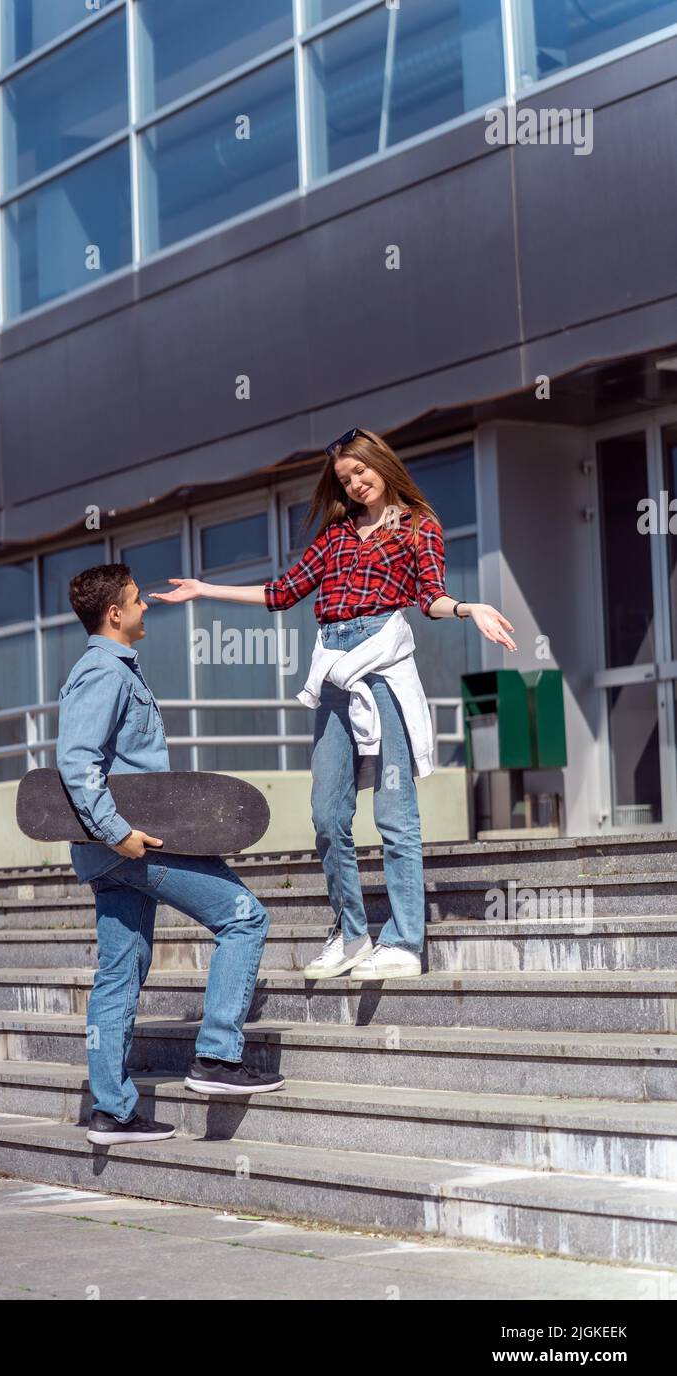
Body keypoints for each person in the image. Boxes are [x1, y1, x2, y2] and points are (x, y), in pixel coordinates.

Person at [149, 427, 516, 982]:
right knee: (326, 813)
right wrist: (205, 590)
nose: (356, 483)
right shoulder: (337, 534)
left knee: (395, 814)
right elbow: (282, 593)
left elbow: (429, 596)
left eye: (362, 472)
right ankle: (351, 933)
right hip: (334, 673)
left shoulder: (420, 527)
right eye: (346, 479)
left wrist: (470, 608)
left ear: (382, 465)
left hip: (383, 670)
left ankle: (404, 941)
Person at [57, 565, 284, 1148]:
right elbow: (77, 763)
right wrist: (118, 833)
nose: (145, 607)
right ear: (115, 613)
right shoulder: (103, 673)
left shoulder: (107, 669)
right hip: (134, 846)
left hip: (113, 852)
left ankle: (111, 1111)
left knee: (120, 970)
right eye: (138, 599)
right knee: (244, 916)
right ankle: (216, 1057)